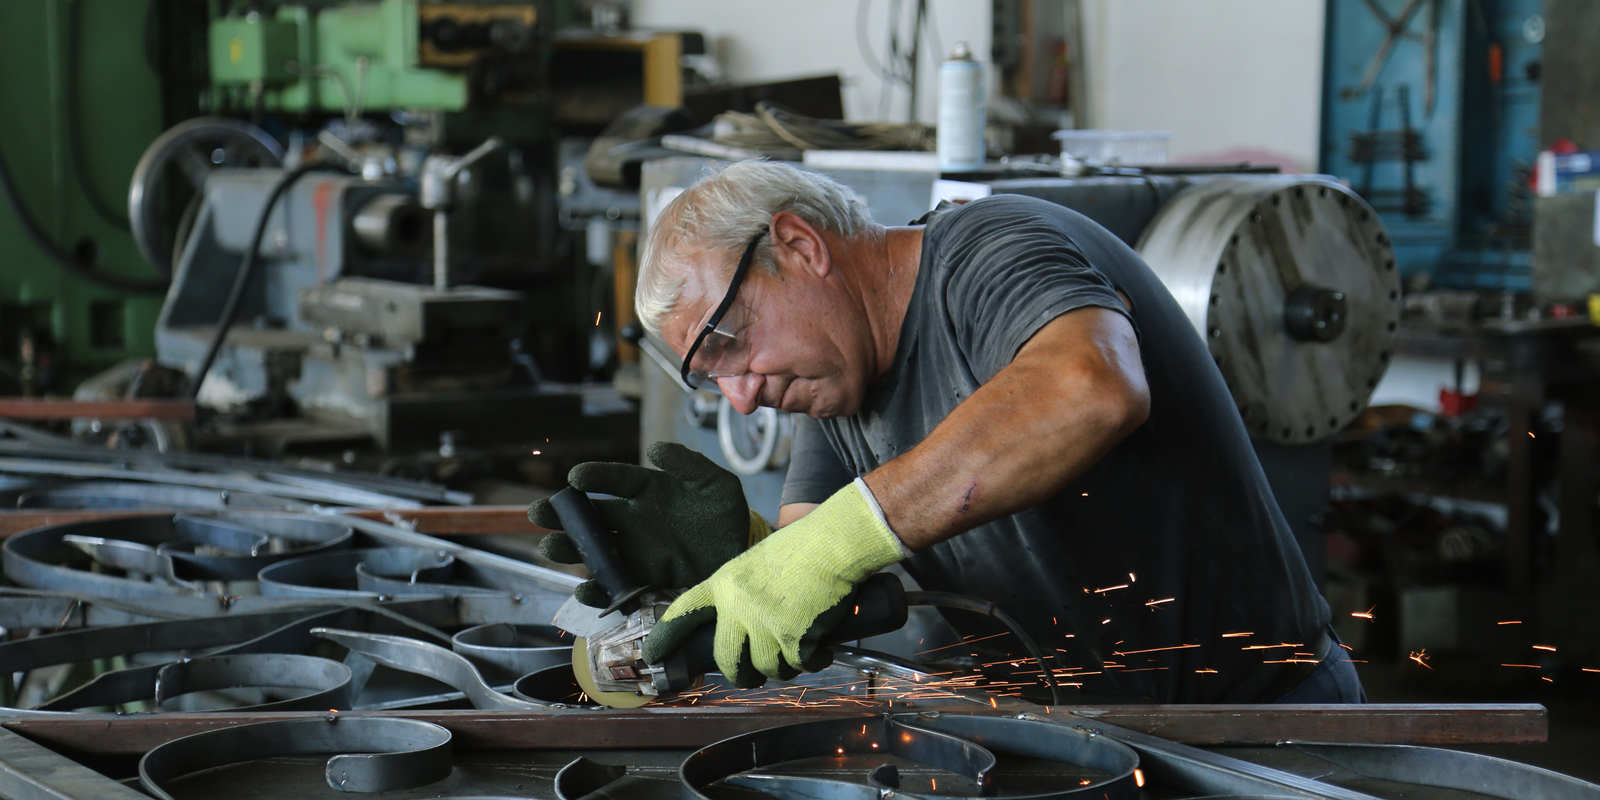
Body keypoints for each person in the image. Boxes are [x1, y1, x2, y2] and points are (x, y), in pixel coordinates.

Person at [530, 159, 1362, 703]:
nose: (742, 400)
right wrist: (729, 567)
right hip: (1103, 744)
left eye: (731, 346)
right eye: (712, 379)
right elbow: (824, 575)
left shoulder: (988, 250)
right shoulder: (838, 391)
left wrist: (832, 544)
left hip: (1261, 727)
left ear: (797, 245)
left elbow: (1091, 388)